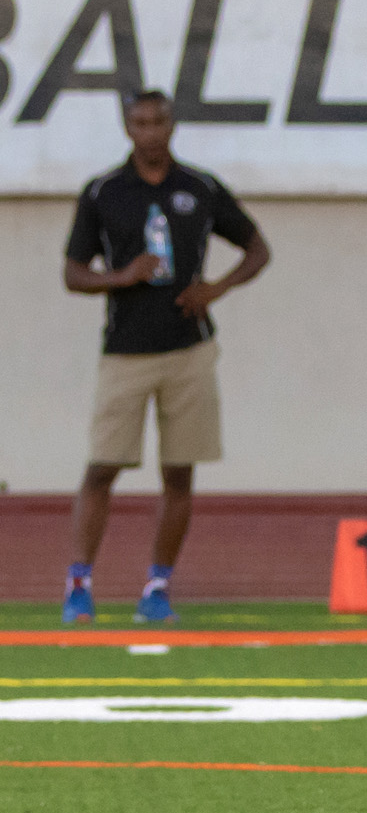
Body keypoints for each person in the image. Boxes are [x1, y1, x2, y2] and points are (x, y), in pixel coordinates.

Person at [60, 90, 271, 624]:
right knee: (102, 468)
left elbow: (258, 248)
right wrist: (119, 276)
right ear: (127, 128)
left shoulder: (198, 188)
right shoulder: (104, 192)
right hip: (125, 352)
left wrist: (216, 288)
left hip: (189, 350)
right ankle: (79, 584)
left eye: (159, 122)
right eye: (140, 123)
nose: (150, 132)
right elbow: (72, 273)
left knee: (179, 474)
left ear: (172, 125)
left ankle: (157, 587)